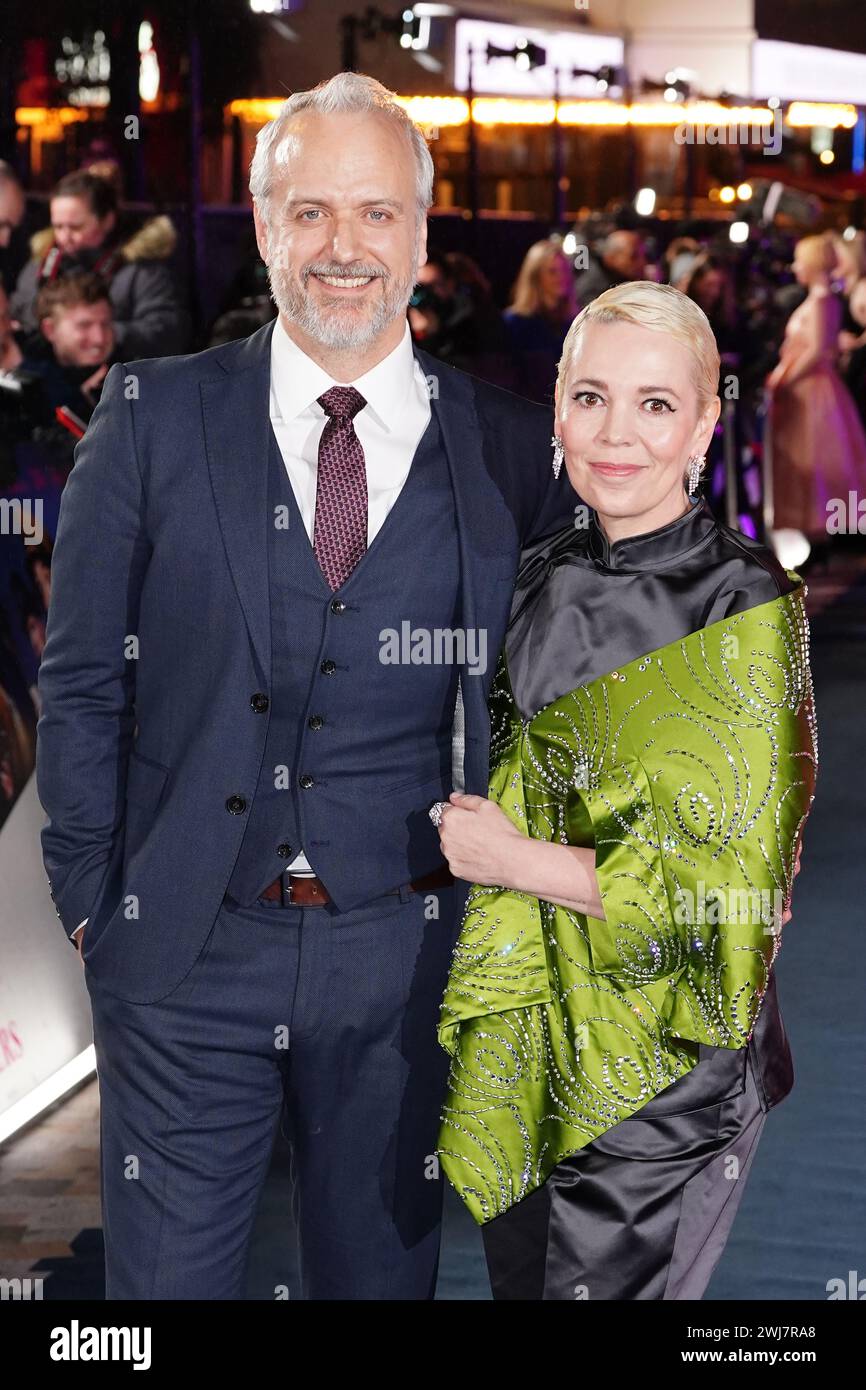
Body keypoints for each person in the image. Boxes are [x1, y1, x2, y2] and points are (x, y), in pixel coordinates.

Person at [35, 71, 574, 1302]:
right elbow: (79, 685)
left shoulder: (502, 444)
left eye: (377, 214)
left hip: (407, 962)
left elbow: (577, 672)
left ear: (422, 235)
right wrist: (91, 903)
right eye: (312, 212)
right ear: (266, 228)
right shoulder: (151, 415)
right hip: (179, 950)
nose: (345, 248)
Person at [433, 281, 817, 1300]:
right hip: (525, 1031)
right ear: (555, 408)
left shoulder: (741, 602)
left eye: (653, 404)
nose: (615, 434)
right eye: (590, 397)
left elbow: (722, 891)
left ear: (701, 425)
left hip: (661, 1065)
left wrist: (507, 859)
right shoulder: (532, 568)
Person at [10, 171, 188, 359]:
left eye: (75, 227)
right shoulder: (44, 260)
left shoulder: (143, 270)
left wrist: (104, 334)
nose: (64, 236)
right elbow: (18, 309)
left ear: (107, 221)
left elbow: (168, 332)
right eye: (58, 226)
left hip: (118, 378)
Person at [767, 233, 866, 540]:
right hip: (805, 389)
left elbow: (818, 350)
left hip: (812, 391)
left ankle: (821, 536)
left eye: (799, 261)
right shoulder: (818, 299)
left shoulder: (823, 300)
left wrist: (785, 378)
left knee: (817, 462)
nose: (795, 267)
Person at [28, 272, 115, 423]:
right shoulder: (27, 384)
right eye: (84, 325)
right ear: (50, 330)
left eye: (105, 324)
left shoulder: (134, 378)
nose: (99, 339)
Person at [503, 238, 578, 405]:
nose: (561, 278)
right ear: (535, 277)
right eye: (552, 272)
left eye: (564, 271)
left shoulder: (575, 324)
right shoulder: (514, 324)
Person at [574, 228, 646, 306]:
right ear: (611, 257)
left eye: (644, 256)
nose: (642, 262)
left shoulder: (625, 279)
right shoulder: (591, 289)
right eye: (634, 256)